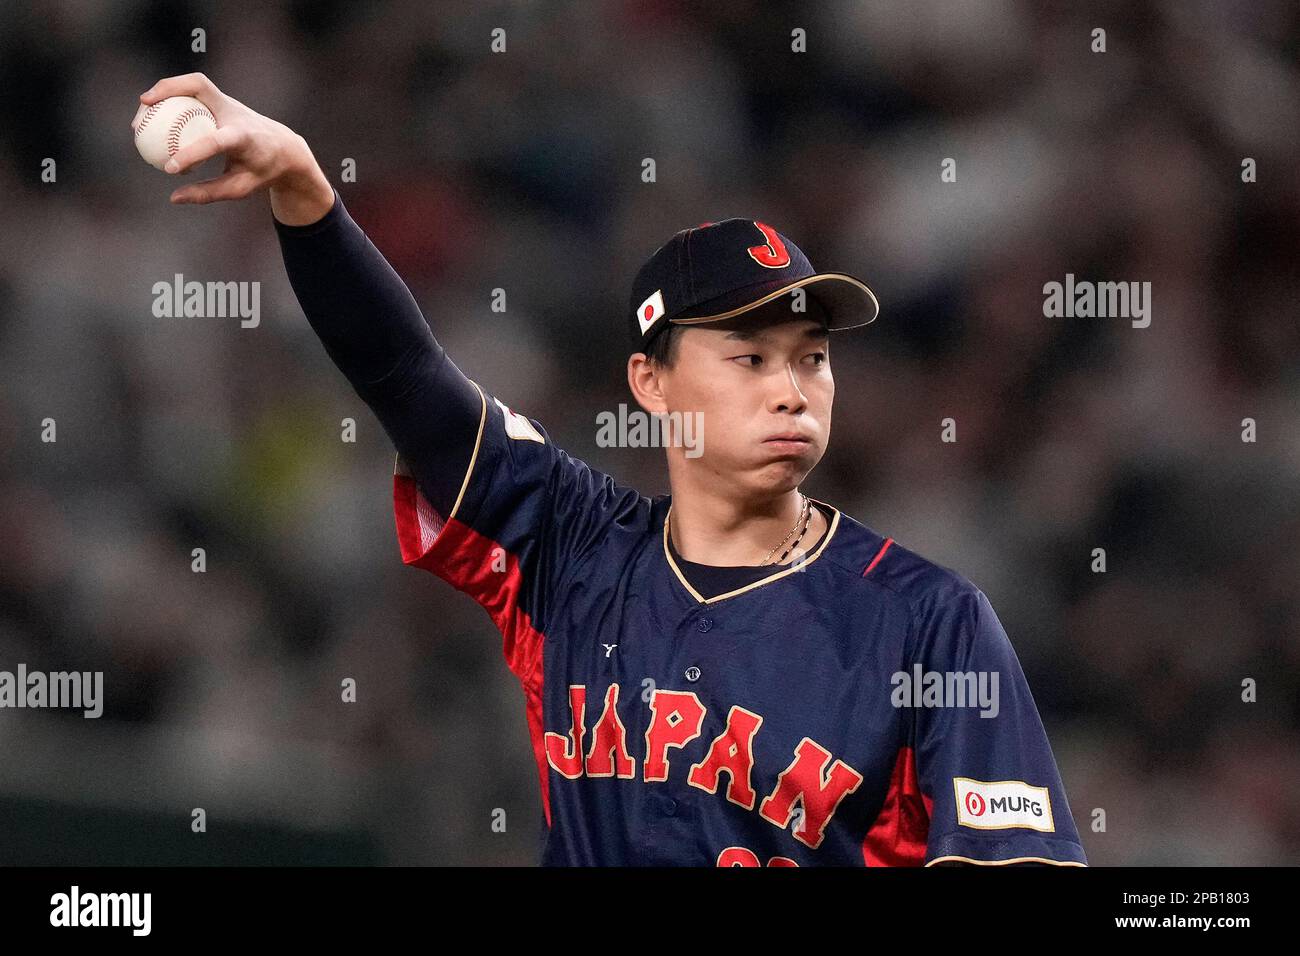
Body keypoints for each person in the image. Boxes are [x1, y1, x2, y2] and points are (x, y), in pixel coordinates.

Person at [138, 73, 1088, 867]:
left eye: (812, 355)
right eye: (749, 357)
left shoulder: (926, 620)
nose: (792, 389)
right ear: (652, 381)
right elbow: (407, 377)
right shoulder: (574, 546)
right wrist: (307, 195)